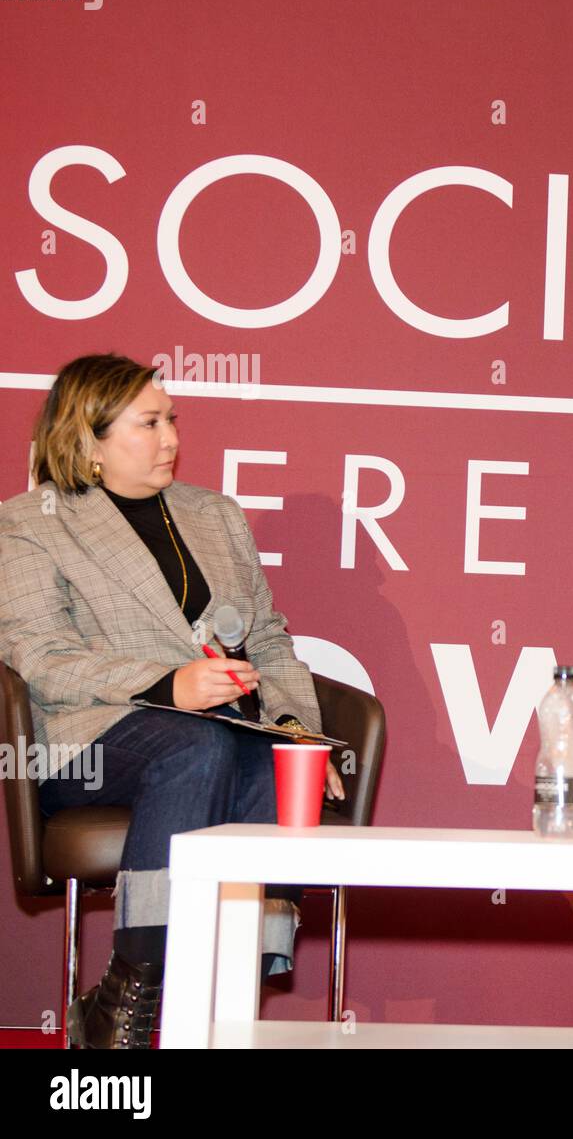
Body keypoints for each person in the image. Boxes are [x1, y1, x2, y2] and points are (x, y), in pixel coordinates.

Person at [0, 353, 344, 1049]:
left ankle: (226, 996)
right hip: (86, 737)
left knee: (261, 757)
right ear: (87, 439)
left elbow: (270, 642)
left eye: (172, 420)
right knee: (202, 743)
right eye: (149, 423)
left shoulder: (213, 515)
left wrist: (296, 730)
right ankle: (137, 992)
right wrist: (168, 683)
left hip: (216, 731)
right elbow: (40, 657)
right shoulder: (28, 523)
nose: (171, 439)